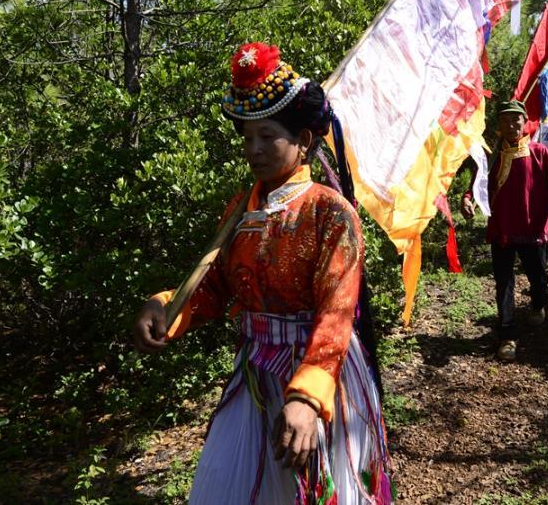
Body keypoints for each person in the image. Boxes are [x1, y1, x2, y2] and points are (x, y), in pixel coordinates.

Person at [132, 42, 391, 504]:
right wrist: (167, 307)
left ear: (304, 142)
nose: (253, 149)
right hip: (253, 372)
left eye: (267, 136)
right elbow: (213, 287)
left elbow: (336, 312)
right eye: (247, 137)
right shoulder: (240, 209)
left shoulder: (330, 214)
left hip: (319, 372)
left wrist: (309, 398)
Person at [461, 100, 548, 362]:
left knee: (538, 277)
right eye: (505, 121)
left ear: (525, 124)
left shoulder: (539, 153)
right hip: (502, 230)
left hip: (533, 229)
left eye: (516, 120)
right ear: (499, 126)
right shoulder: (492, 158)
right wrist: (468, 199)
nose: (511, 125)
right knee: (504, 283)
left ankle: (538, 302)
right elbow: (479, 185)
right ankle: (507, 335)